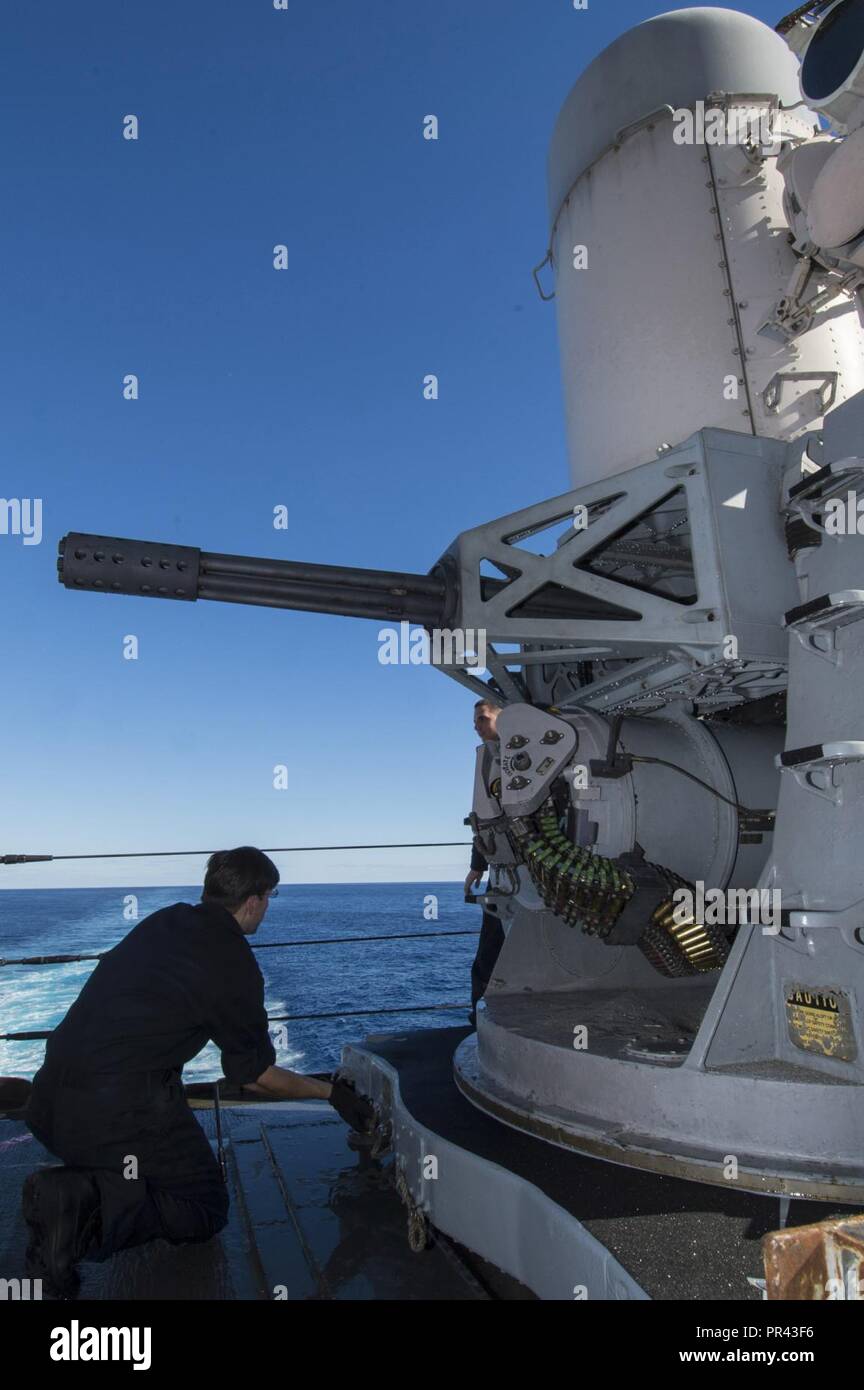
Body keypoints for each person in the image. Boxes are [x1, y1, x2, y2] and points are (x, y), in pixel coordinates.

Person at [21, 845, 373, 1299]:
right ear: (254, 901)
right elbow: (254, 1075)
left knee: (151, 1153)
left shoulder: (164, 920)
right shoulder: (233, 962)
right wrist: (331, 1093)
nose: (268, 907)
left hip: (47, 1106)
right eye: (270, 897)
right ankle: (78, 1205)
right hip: (111, 1114)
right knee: (203, 1207)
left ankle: (95, 1183)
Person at [464, 701, 506, 1027]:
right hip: (504, 869)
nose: (476, 725)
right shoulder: (487, 757)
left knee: (494, 948)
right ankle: (481, 1018)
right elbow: (484, 816)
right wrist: (478, 864)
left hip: (521, 871)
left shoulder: (521, 756)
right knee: (489, 949)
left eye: (482, 718)